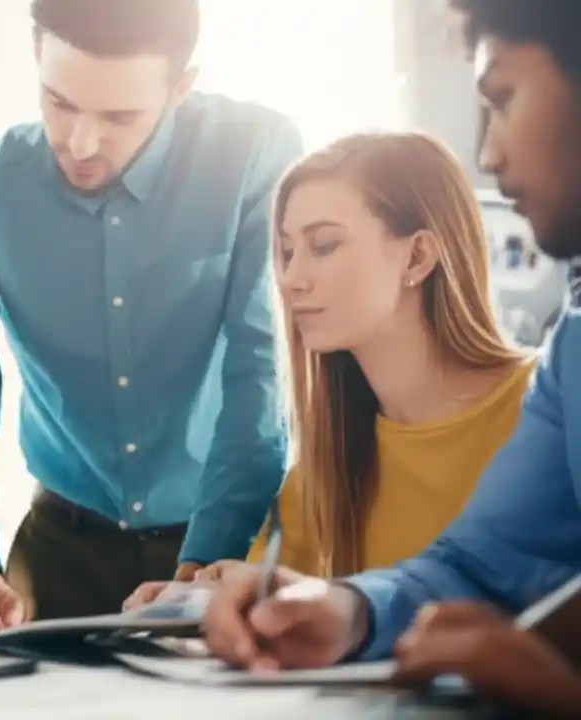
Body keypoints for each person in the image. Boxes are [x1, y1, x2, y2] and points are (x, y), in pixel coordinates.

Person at [199, 1, 581, 715]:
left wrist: (553, 685)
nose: (488, 155)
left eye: (502, 99)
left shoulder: (530, 385)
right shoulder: (574, 352)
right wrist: (346, 610)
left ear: (419, 257)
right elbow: (476, 565)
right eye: (284, 250)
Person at [0, 0, 300, 638]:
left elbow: (260, 373)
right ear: (37, 53)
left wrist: (205, 562)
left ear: (181, 88)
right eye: (60, 102)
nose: (81, 144)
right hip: (60, 553)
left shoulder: (255, 158)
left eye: (120, 116)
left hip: (232, 544)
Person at [125, 132, 532, 609]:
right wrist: (195, 603)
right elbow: (277, 605)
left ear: (418, 256)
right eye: (287, 251)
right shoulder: (324, 466)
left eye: (323, 245)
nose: (291, 279)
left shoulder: (545, 407)